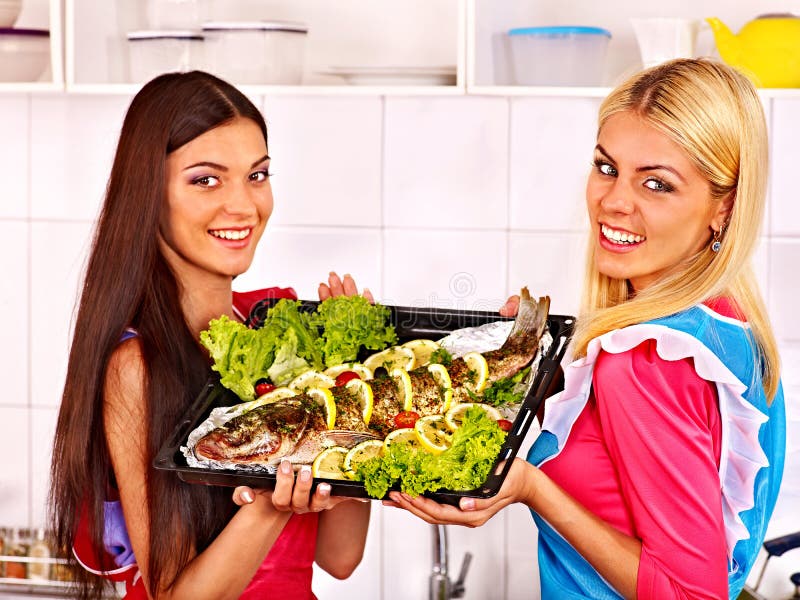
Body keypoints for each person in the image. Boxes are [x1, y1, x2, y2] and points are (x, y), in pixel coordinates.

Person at [384, 58, 786, 599]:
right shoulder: (731, 328)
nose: (615, 201)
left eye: (657, 185)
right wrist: (544, 367)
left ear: (725, 207)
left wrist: (532, 488)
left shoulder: (644, 359)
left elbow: (693, 593)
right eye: (606, 167)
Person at [49, 71, 373, 600]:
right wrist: (272, 498)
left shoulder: (278, 332)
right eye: (206, 179)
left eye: (258, 175)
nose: (244, 206)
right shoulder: (137, 365)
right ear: (148, 193)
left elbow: (340, 558)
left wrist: (353, 382)